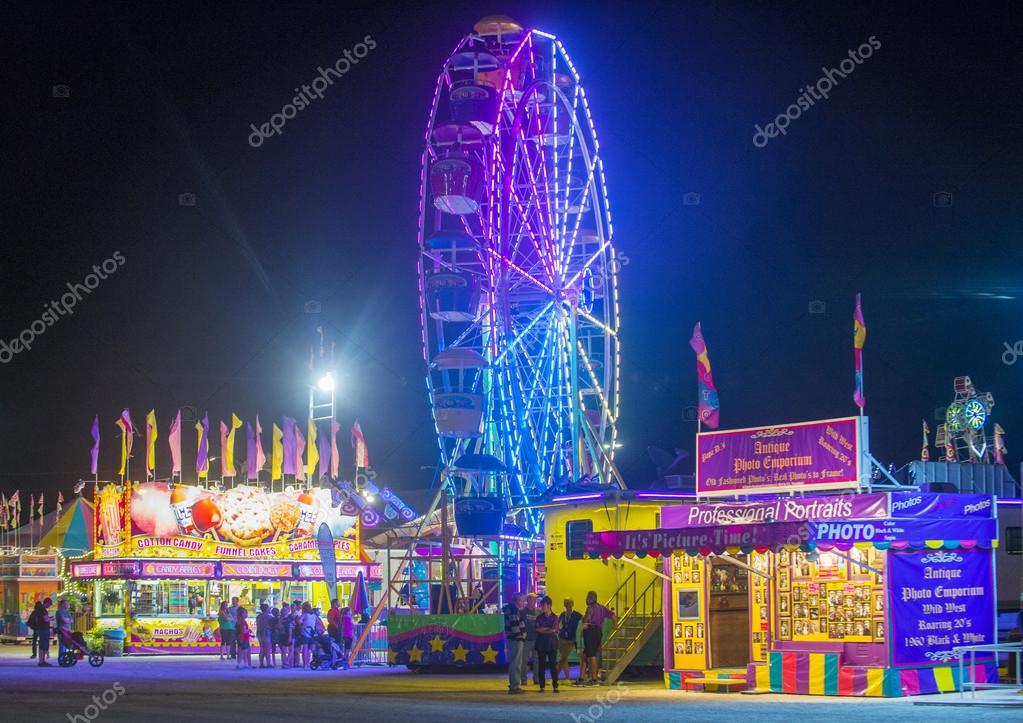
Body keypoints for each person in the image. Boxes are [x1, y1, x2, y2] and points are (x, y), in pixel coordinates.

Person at [579, 590, 614, 686]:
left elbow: (588, 618)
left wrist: (585, 623)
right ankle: (581, 678)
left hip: (591, 631)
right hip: (598, 632)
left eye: (588, 597)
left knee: (591, 655)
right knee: (585, 655)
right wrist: (616, 626)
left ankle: (594, 679)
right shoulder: (602, 607)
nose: (587, 599)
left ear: (591, 598)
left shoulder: (590, 608)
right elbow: (612, 615)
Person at [502, 594, 527, 694]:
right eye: (522, 600)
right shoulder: (513, 611)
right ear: (517, 601)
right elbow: (515, 625)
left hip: (514, 639)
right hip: (516, 639)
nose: (523, 603)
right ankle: (514, 685)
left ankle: (514, 684)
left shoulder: (510, 609)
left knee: (515, 661)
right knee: (516, 663)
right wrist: (520, 637)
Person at [534, 596, 560, 692]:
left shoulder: (555, 617)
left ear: (549, 606)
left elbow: (554, 630)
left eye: (544, 606)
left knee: (553, 665)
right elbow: (537, 629)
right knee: (542, 665)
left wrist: (543, 629)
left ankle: (555, 686)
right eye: (542, 606)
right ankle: (542, 686)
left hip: (552, 644)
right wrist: (547, 629)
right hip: (541, 644)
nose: (542, 608)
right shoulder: (539, 617)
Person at [557, 598, 583, 682]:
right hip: (561, 638)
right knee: (564, 658)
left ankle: (555, 674)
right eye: (567, 603)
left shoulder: (576, 614)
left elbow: (584, 619)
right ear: (565, 605)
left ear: (572, 604)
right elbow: (558, 624)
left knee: (563, 658)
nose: (568, 605)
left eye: (570, 603)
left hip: (571, 639)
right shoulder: (562, 614)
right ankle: (567, 677)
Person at [35, 598, 54, 666]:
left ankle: (42, 660)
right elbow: (45, 619)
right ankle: (41, 661)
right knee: (43, 645)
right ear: (46, 603)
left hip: (42, 629)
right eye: (49, 604)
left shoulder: (41, 609)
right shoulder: (43, 610)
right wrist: (51, 618)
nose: (49, 606)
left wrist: (49, 618)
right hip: (43, 629)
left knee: (43, 645)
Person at [298, 602, 317, 668]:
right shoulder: (314, 615)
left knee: (305, 648)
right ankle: (313, 662)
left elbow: (299, 621)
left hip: (305, 632)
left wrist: (303, 625)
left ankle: (305, 664)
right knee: (313, 649)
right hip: (312, 633)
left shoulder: (304, 614)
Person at [256, 604, 272, 668]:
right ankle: (268, 663)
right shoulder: (269, 617)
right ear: (267, 609)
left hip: (259, 633)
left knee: (262, 648)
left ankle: (261, 663)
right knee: (267, 649)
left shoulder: (258, 616)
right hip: (267, 633)